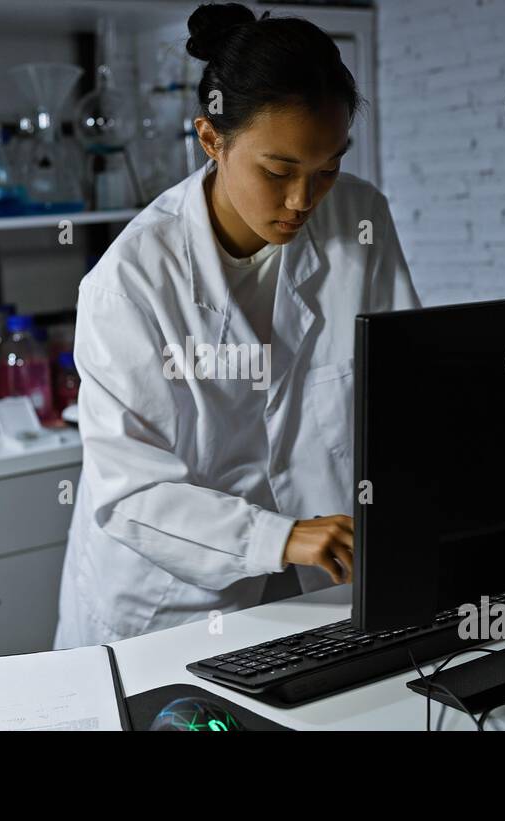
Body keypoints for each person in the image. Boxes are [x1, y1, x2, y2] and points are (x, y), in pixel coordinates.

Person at [53, 2, 420, 648]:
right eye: (278, 172)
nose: (303, 201)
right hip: (169, 604)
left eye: (327, 169)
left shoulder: (359, 220)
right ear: (211, 139)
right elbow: (131, 493)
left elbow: (409, 387)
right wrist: (277, 536)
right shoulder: (131, 283)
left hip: (320, 588)